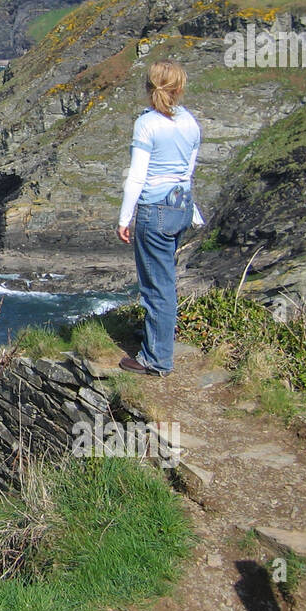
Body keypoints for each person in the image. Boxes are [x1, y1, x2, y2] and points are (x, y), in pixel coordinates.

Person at [116, 60, 203, 376]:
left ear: (150, 88)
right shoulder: (190, 121)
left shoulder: (147, 123)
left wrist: (125, 218)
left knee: (157, 287)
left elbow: (137, 177)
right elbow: (187, 171)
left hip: (155, 210)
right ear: (179, 89)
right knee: (164, 278)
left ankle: (156, 360)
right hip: (180, 206)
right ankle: (157, 338)